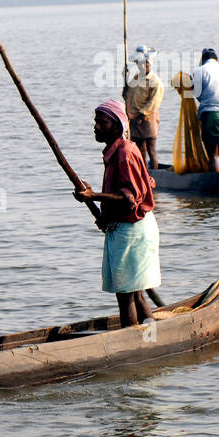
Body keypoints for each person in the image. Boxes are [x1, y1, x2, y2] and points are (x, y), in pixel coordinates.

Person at [73, 100, 161, 328]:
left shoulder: (125, 153)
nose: (96, 126)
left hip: (133, 229)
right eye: (95, 121)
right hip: (127, 226)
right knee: (135, 292)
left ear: (115, 125)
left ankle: (133, 341)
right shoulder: (118, 151)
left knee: (126, 295)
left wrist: (93, 197)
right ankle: (151, 336)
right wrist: (102, 209)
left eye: (101, 122)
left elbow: (128, 198)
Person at [191, 48, 219, 172]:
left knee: (212, 155)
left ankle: (216, 185)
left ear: (203, 59)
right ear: (216, 59)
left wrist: (192, 86)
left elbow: (198, 95)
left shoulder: (200, 71)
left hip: (210, 114)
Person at [124, 46, 163, 168]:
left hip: (147, 119)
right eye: (138, 63)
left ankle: (154, 176)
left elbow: (153, 103)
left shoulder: (155, 81)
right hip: (134, 120)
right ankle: (142, 174)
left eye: (142, 64)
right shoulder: (135, 79)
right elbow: (127, 96)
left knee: (151, 149)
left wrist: (139, 115)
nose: (140, 66)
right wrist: (124, 78)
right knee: (139, 150)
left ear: (147, 64)